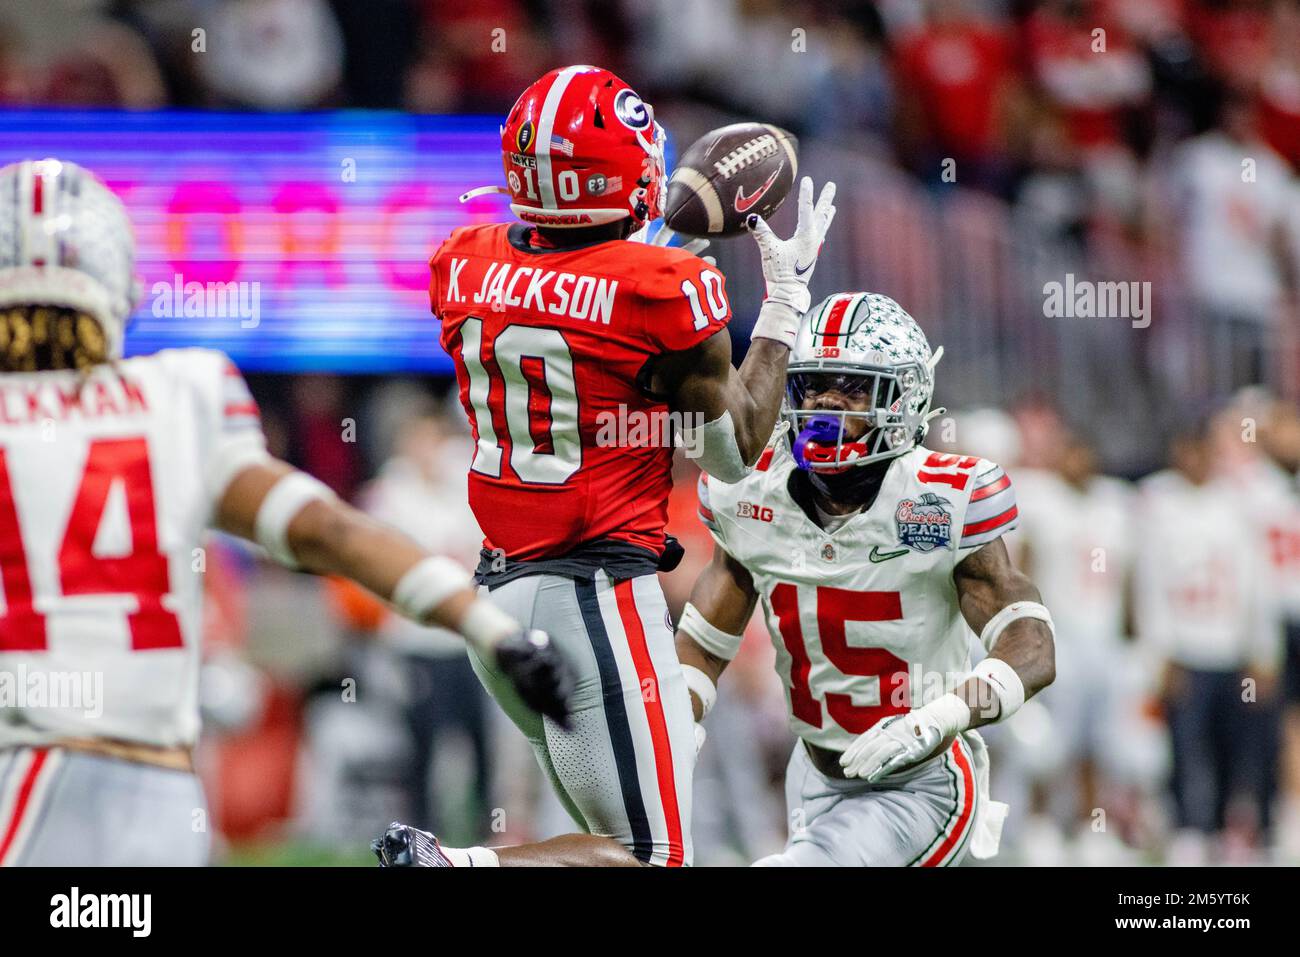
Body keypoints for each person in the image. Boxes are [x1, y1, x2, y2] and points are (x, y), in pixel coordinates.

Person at [0, 158, 571, 866]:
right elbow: (325, 529)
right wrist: (487, 624)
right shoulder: (182, 392)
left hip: (19, 773)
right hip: (156, 791)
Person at [374, 64, 837, 867]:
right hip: (592, 595)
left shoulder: (463, 261)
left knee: (611, 830)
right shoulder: (665, 287)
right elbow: (733, 449)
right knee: (649, 855)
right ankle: (458, 864)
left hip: (501, 601)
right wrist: (787, 301)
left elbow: (566, 288)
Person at [675, 292, 1056, 866]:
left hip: (920, 784)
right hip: (812, 774)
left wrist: (941, 716)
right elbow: (708, 639)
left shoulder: (942, 498)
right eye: (813, 387)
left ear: (904, 399)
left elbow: (1031, 645)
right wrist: (680, 718)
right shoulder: (750, 492)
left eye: (853, 387)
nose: (825, 405)